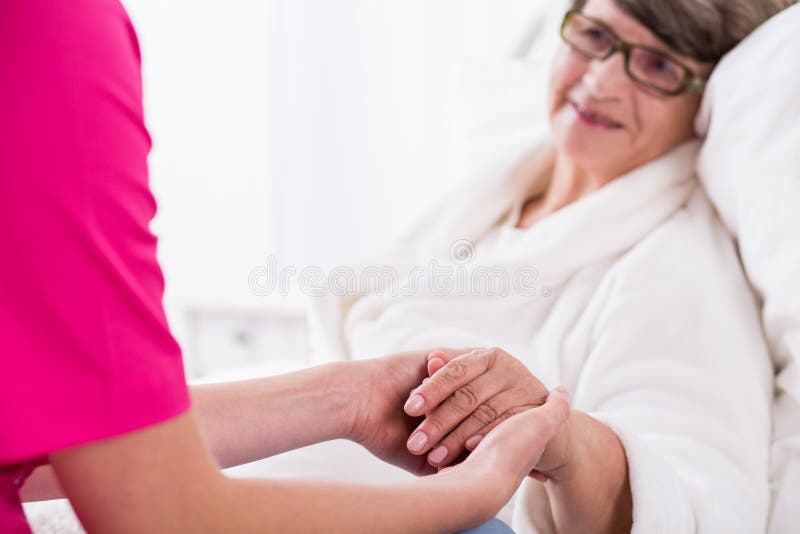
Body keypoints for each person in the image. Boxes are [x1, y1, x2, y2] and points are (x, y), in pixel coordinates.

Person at [0, 1, 570, 533]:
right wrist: (477, 491)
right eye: (590, 38)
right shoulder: (51, 30)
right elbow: (165, 514)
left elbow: (66, 437)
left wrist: (348, 398)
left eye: (652, 63)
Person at [307, 0, 793, 532]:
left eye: (660, 68)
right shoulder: (487, 203)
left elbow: (696, 499)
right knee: (195, 446)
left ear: (706, 104)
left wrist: (559, 436)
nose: (602, 80)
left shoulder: (677, 272)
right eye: (597, 36)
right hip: (284, 474)